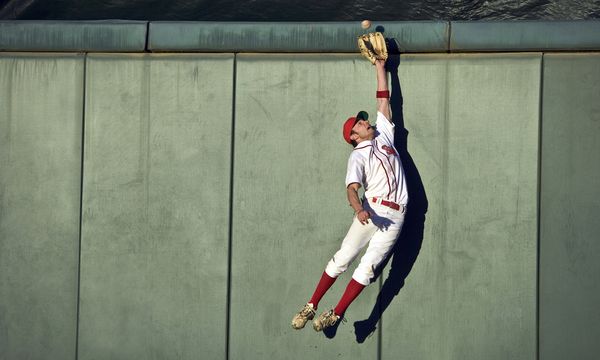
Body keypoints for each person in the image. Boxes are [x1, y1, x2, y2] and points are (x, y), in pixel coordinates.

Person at [291, 58, 408, 332]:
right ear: (354, 136)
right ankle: (311, 305)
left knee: (367, 269)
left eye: (362, 120)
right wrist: (358, 209)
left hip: (396, 216)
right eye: (359, 123)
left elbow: (383, 101)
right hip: (372, 212)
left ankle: (336, 314)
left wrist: (380, 67)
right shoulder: (357, 156)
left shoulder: (384, 137)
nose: (364, 121)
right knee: (343, 258)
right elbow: (351, 189)